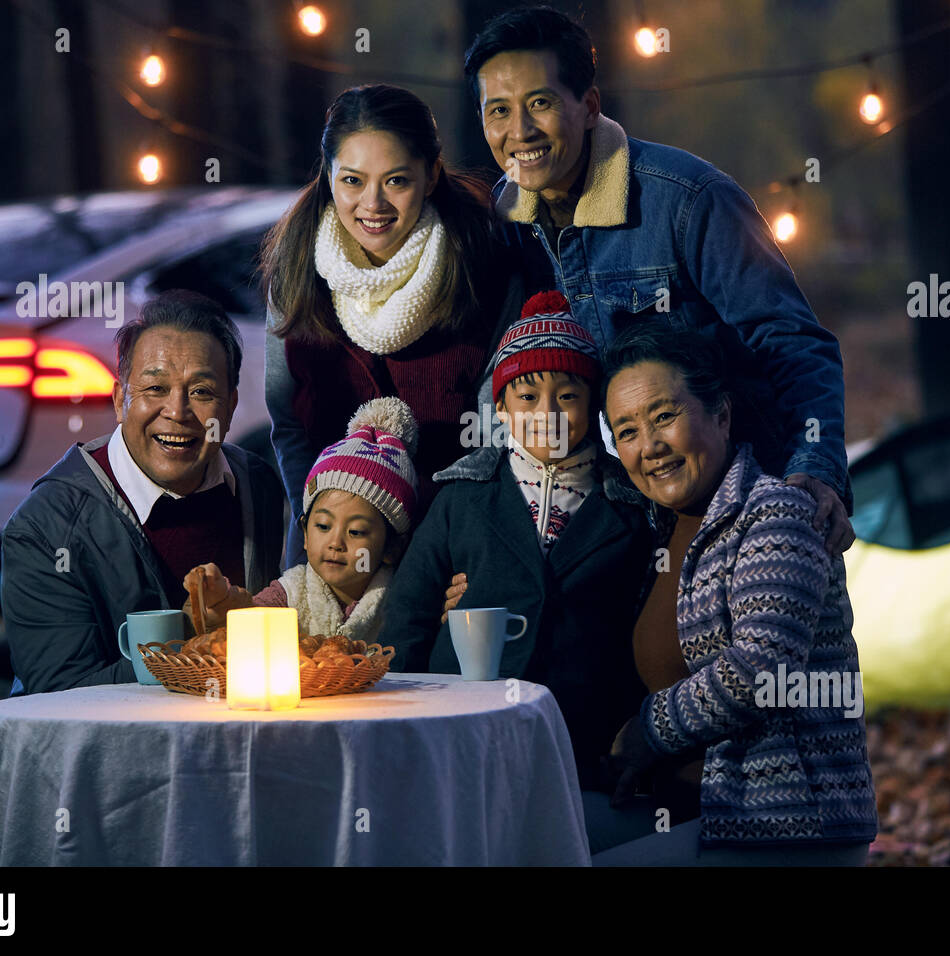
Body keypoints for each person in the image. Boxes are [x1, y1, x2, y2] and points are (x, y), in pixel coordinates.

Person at [463, 6, 857, 555]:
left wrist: (814, 471)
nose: (519, 131)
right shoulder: (506, 227)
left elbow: (792, 342)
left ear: (590, 106)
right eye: (498, 111)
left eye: (541, 103)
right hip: (622, 527)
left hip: (749, 510)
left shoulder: (687, 199)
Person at [587, 322, 877, 865]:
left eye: (664, 416)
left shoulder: (775, 513)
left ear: (721, 414)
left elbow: (763, 670)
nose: (649, 446)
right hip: (689, 809)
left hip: (782, 824)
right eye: (626, 431)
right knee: (527, 830)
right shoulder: (655, 531)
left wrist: (649, 730)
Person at [378, 291, 651, 783]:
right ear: (500, 408)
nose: (547, 412)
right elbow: (409, 616)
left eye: (568, 396)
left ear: (594, 406)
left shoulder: (628, 505)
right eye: (526, 397)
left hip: (582, 734)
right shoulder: (462, 497)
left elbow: (640, 620)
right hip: (461, 726)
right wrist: (398, 720)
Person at [261, 84, 520, 568]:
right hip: (330, 551)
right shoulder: (298, 268)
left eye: (396, 180)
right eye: (353, 180)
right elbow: (290, 426)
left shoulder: (481, 265)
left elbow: (494, 429)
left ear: (432, 174)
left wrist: (440, 541)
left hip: (448, 540)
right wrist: (312, 529)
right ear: (329, 175)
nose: (372, 203)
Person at [2, 291, 285, 695]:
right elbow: (60, 693)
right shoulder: (47, 525)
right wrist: (197, 646)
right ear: (121, 401)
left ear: (232, 406)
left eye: (202, 392)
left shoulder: (257, 486)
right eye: (155, 388)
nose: (178, 412)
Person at [183, 397, 420, 646]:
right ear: (305, 533)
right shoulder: (291, 592)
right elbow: (249, 620)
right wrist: (220, 600)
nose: (335, 543)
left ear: (392, 547)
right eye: (323, 526)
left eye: (356, 531)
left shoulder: (403, 596)